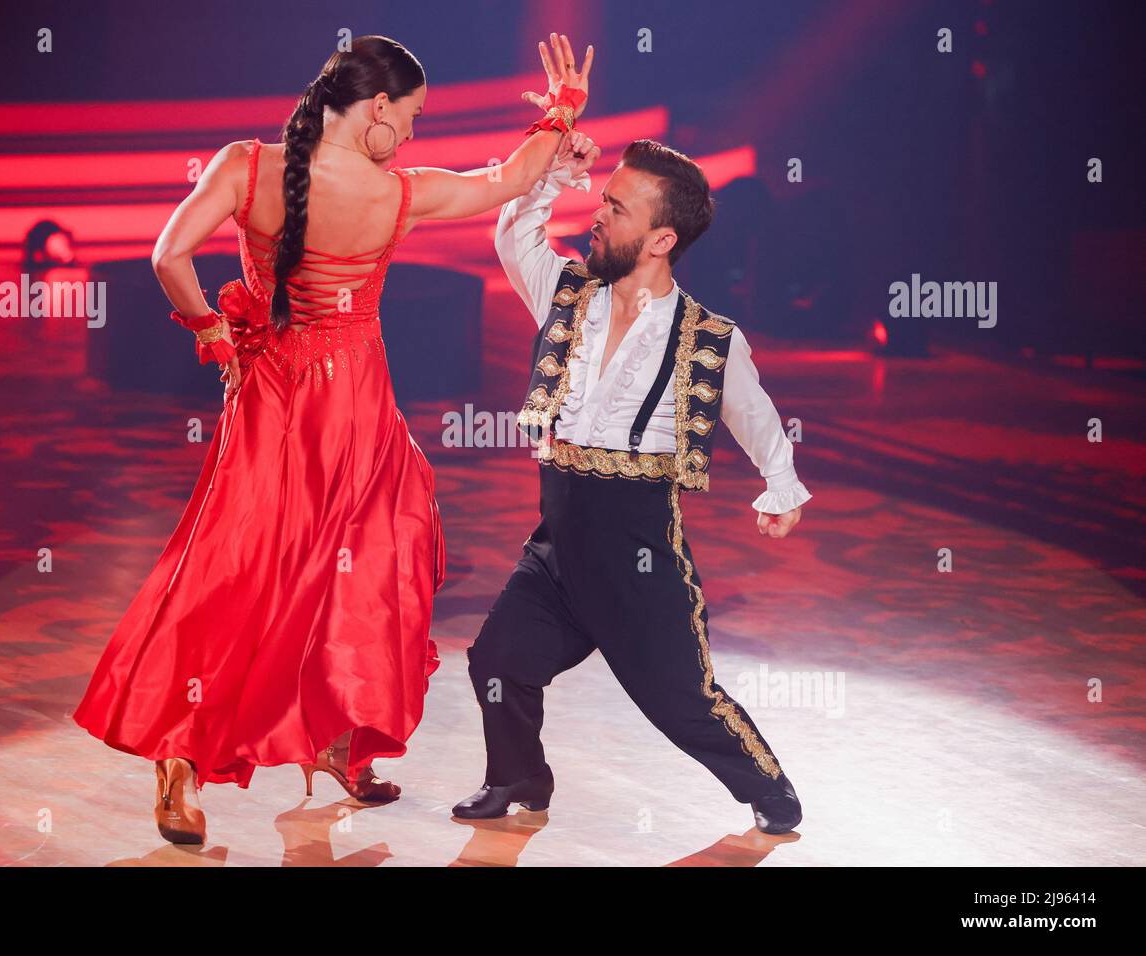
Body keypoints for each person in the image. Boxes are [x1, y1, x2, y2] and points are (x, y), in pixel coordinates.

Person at [72, 32, 595, 845]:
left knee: (240, 567)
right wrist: (560, 112)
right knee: (374, 554)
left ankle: (241, 749)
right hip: (355, 405)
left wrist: (213, 334)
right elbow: (508, 180)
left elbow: (169, 255)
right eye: (412, 116)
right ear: (377, 107)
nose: (413, 134)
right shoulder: (398, 193)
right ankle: (304, 735)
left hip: (274, 400)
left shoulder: (246, 167)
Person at [452, 134, 813, 834]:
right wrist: (553, 169)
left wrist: (781, 484)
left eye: (616, 208)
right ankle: (517, 776)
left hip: (640, 565)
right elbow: (513, 234)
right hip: (558, 552)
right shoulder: (565, 295)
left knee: (682, 702)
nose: (597, 213)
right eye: (604, 198)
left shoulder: (708, 339)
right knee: (498, 659)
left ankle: (769, 788)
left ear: (661, 239)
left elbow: (752, 411)